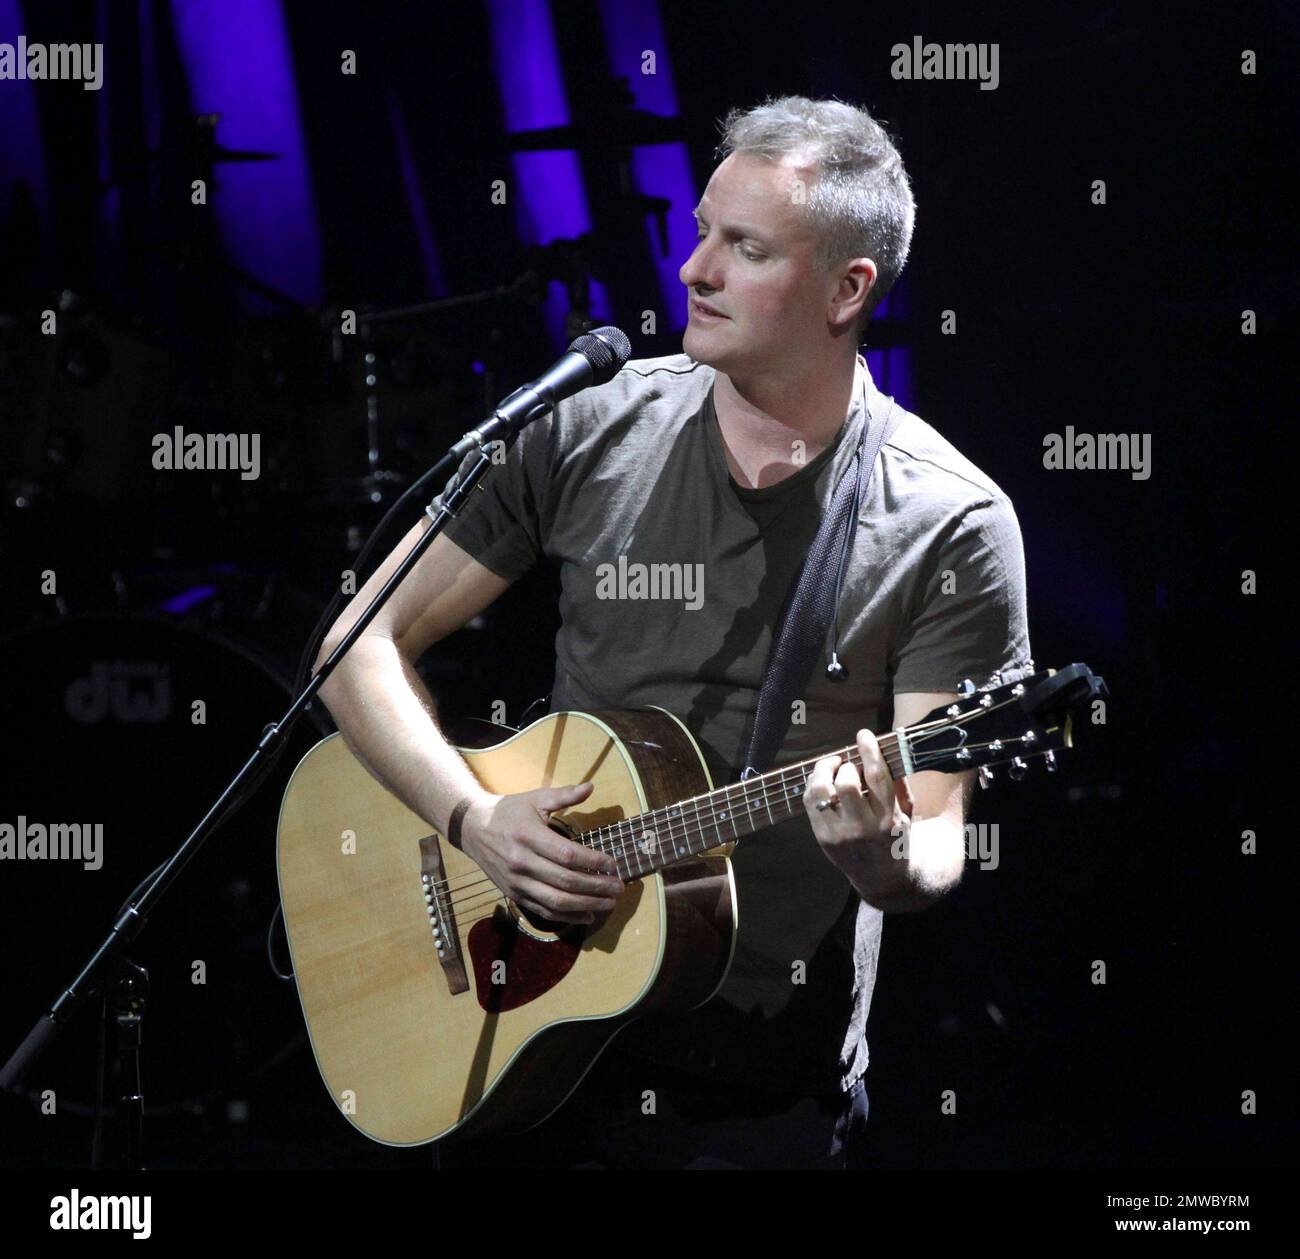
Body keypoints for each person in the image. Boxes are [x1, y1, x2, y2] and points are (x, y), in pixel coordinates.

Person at [314, 95, 1033, 1170]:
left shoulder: (946, 521)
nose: (693, 270)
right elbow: (351, 646)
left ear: (847, 290)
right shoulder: (588, 421)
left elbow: (934, 840)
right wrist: (470, 819)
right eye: (702, 231)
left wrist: (880, 851)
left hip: (751, 1078)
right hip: (531, 1025)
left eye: (744, 248)